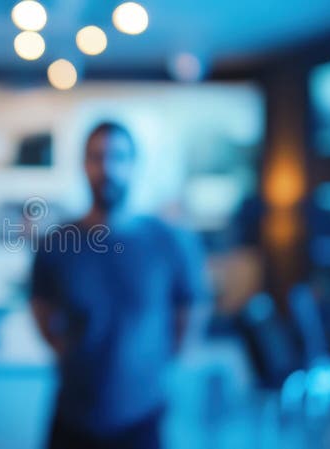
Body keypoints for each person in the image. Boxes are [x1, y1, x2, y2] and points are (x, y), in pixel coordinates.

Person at [30, 122, 209, 449]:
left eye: (118, 157)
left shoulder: (167, 240)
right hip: (72, 414)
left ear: (134, 164)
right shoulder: (58, 241)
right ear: (84, 164)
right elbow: (41, 310)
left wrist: (152, 367)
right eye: (97, 157)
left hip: (140, 417)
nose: (107, 168)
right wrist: (70, 355)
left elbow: (190, 311)